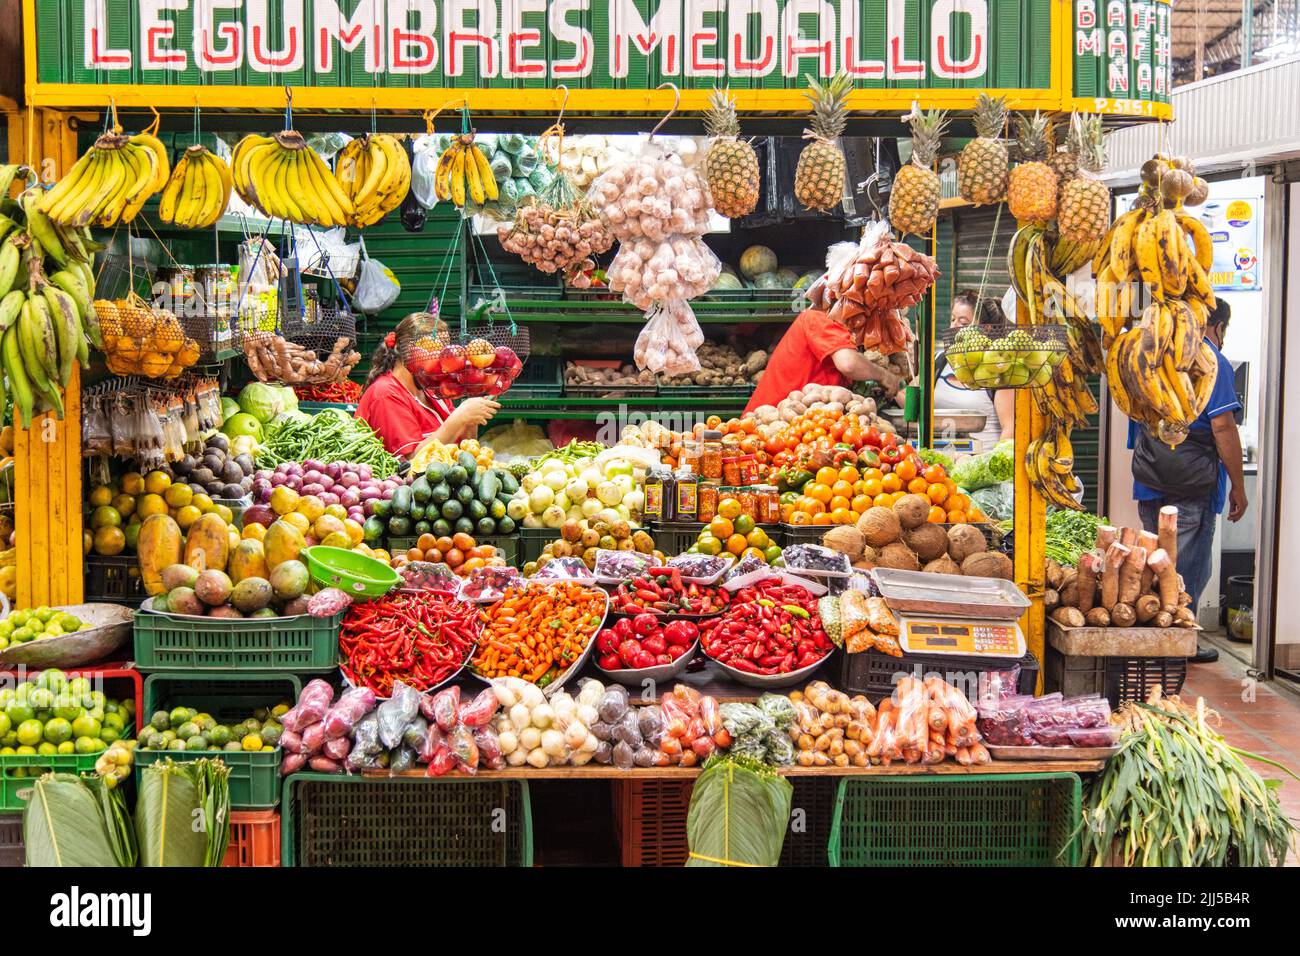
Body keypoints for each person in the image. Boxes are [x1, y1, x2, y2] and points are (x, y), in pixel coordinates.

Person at [1129, 298, 1246, 664]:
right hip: (1192, 488)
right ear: (1219, 327)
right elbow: (1223, 427)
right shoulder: (1211, 362)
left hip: (1150, 479)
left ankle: (1154, 639)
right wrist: (1239, 488)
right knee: (1188, 568)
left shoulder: (1151, 356)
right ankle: (1179, 643)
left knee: (1155, 562)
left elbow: (1137, 424)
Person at [355, 312, 500, 457]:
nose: (442, 356)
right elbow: (411, 461)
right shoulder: (385, 393)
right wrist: (460, 416)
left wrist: (471, 418)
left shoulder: (432, 388)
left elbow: (466, 448)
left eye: (445, 349)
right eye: (433, 348)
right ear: (407, 351)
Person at [745, 306, 904, 413]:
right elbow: (848, 364)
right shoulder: (819, 318)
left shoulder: (842, 336)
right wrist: (884, 375)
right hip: (769, 426)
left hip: (799, 427)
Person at [932, 290, 1015, 451]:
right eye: (952, 319)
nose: (954, 327)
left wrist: (992, 465)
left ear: (986, 329)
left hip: (983, 463)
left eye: (963, 323)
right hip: (939, 466)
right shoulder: (941, 360)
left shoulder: (999, 368)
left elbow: (1009, 428)